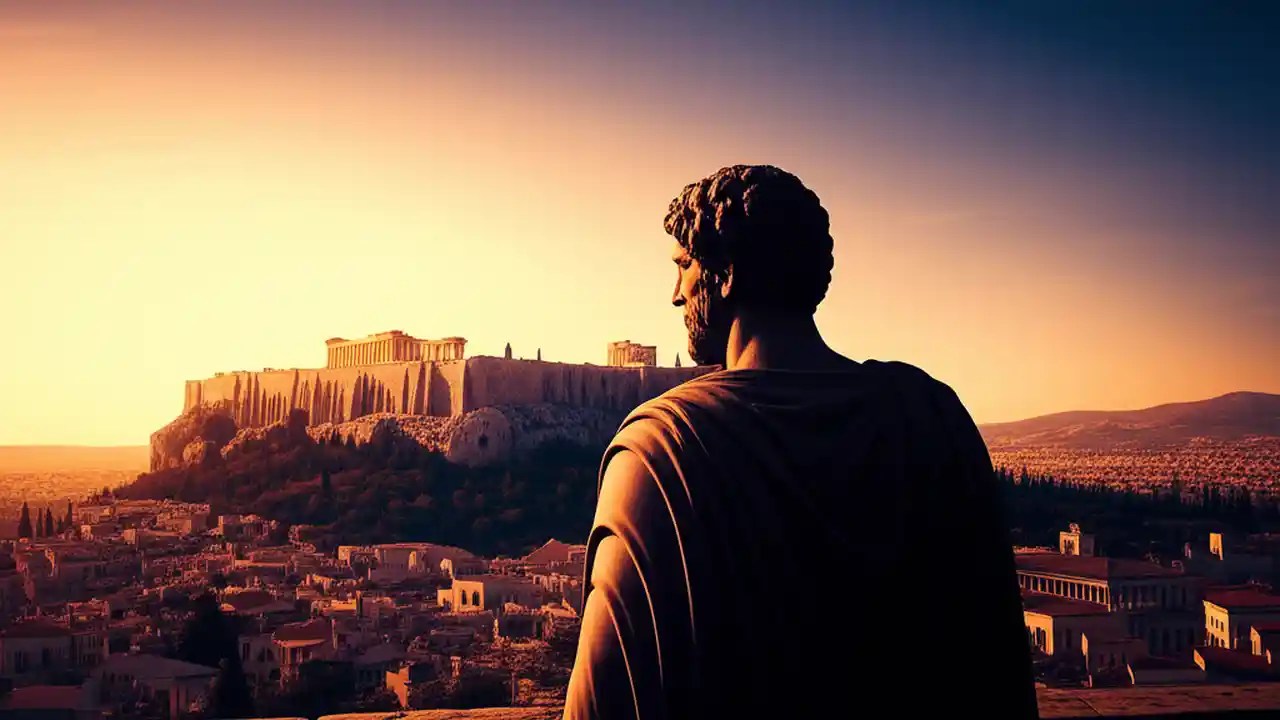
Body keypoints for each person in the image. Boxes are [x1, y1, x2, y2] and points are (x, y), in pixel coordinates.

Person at [563, 165, 1037, 719]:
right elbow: (999, 672)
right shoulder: (931, 415)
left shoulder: (660, 447)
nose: (675, 295)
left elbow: (603, 707)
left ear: (726, 273)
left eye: (684, 266)